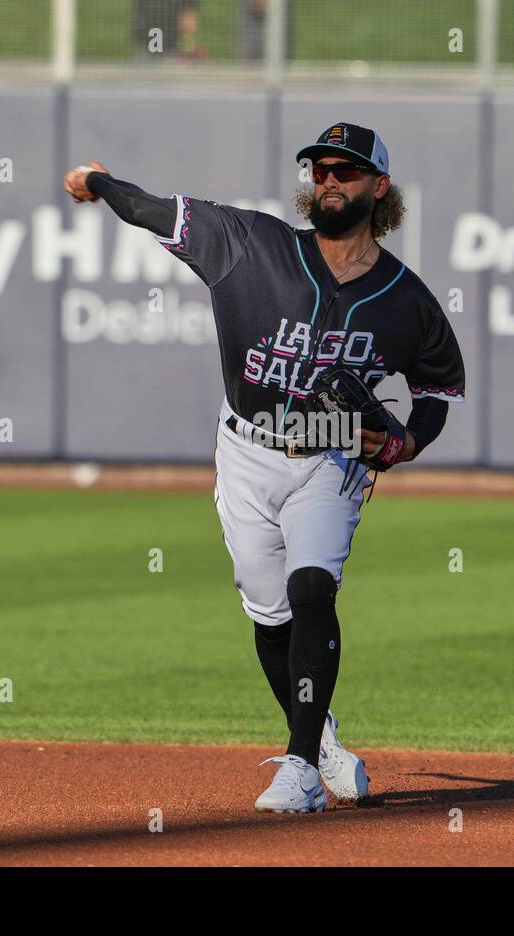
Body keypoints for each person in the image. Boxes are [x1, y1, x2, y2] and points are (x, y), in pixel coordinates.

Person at [62, 122, 466, 813]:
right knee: (269, 611)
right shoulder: (252, 245)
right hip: (246, 447)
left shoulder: (407, 299)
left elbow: (439, 388)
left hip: (330, 452)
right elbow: (152, 209)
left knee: (313, 588)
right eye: (321, 170)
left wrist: (404, 445)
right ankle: (319, 735)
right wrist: (99, 184)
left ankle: (302, 768)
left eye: (346, 171)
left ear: (379, 188)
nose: (330, 181)